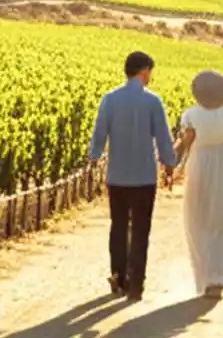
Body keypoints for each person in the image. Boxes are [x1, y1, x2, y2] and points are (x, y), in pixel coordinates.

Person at [88, 51, 177, 301]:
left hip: (117, 177)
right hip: (144, 179)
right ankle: (136, 284)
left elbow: (99, 134)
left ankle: (118, 277)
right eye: (150, 72)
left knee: (118, 227)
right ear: (145, 71)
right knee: (140, 231)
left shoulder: (109, 100)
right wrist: (169, 164)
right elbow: (163, 138)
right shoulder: (153, 102)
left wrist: (94, 156)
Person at [175, 69, 223, 300]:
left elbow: (186, 145)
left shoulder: (191, 115)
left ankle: (206, 276)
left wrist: (175, 167)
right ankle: (219, 277)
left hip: (199, 166)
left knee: (197, 220)